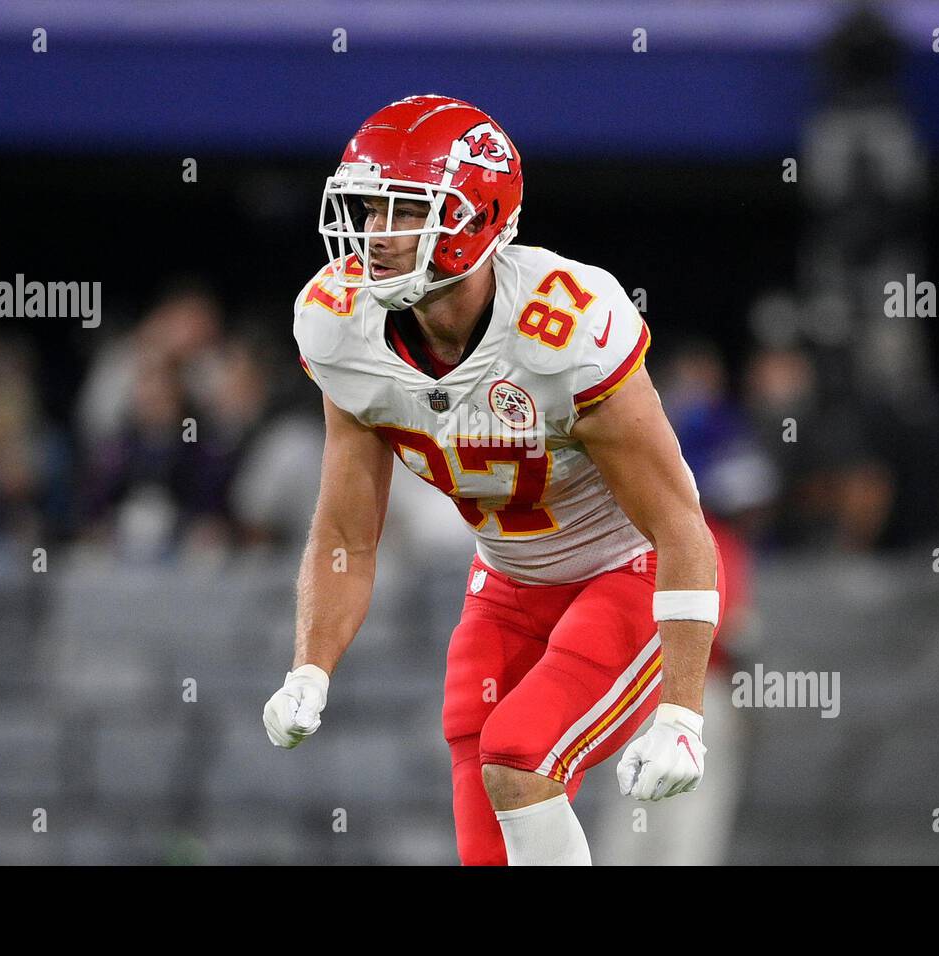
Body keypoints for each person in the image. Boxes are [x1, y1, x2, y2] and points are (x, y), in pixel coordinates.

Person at [262, 95, 722, 866]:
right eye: (370, 210)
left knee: (519, 752)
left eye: (404, 212)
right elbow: (346, 532)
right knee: (486, 827)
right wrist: (310, 665)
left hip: (624, 571)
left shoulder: (562, 329)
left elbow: (679, 523)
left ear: (473, 218)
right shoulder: (340, 325)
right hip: (507, 582)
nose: (376, 235)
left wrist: (683, 713)